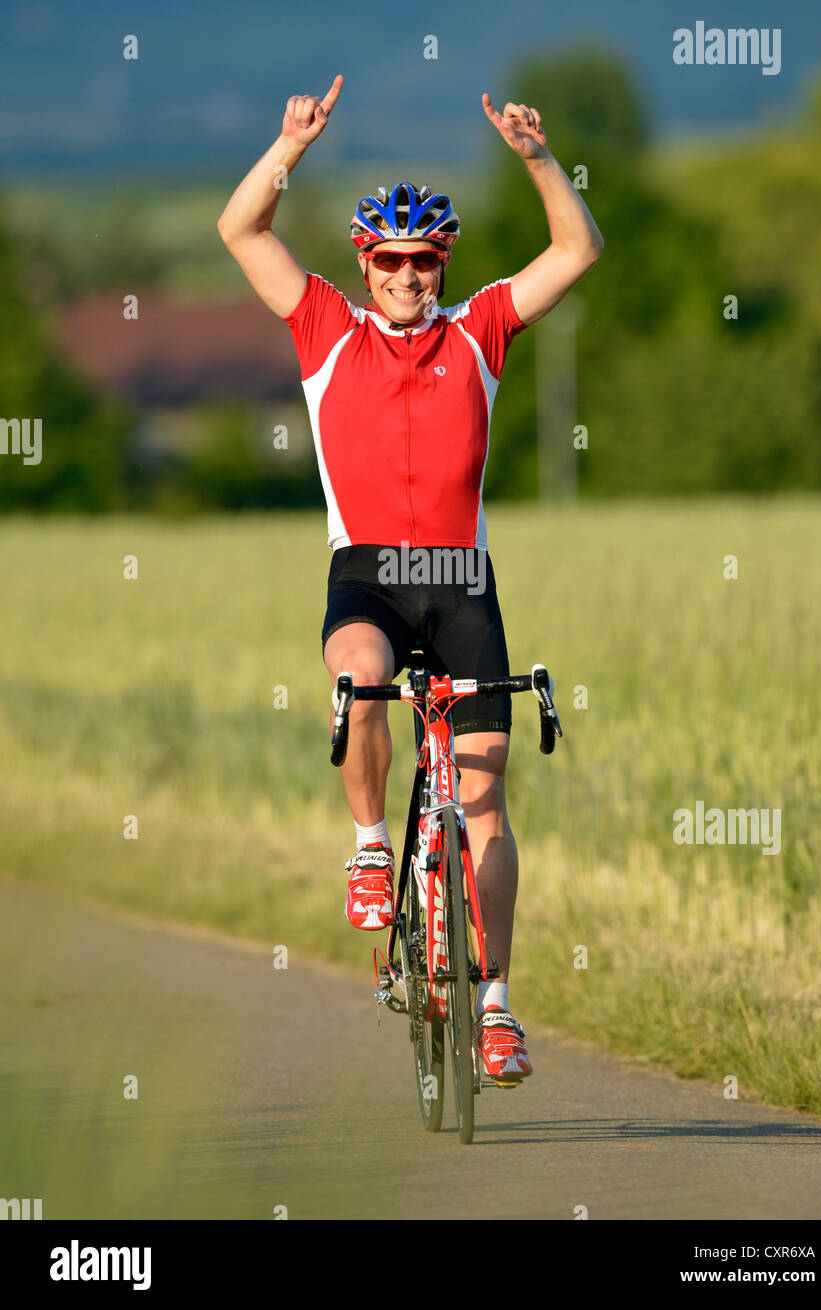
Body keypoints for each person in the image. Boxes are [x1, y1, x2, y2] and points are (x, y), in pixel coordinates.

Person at [217, 74, 603, 1083]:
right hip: (368, 580)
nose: (405, 275)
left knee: (484, 800)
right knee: (356, 678)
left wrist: (535, 159)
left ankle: (502, 1005)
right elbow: (240, 229)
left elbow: (577, 251)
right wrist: (289, 145)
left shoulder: (478, 329)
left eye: (422, 260)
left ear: (440, 264)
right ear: (366, 263)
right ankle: (369, 843)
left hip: (462, 585)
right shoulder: (325, 330)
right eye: (389, 260)